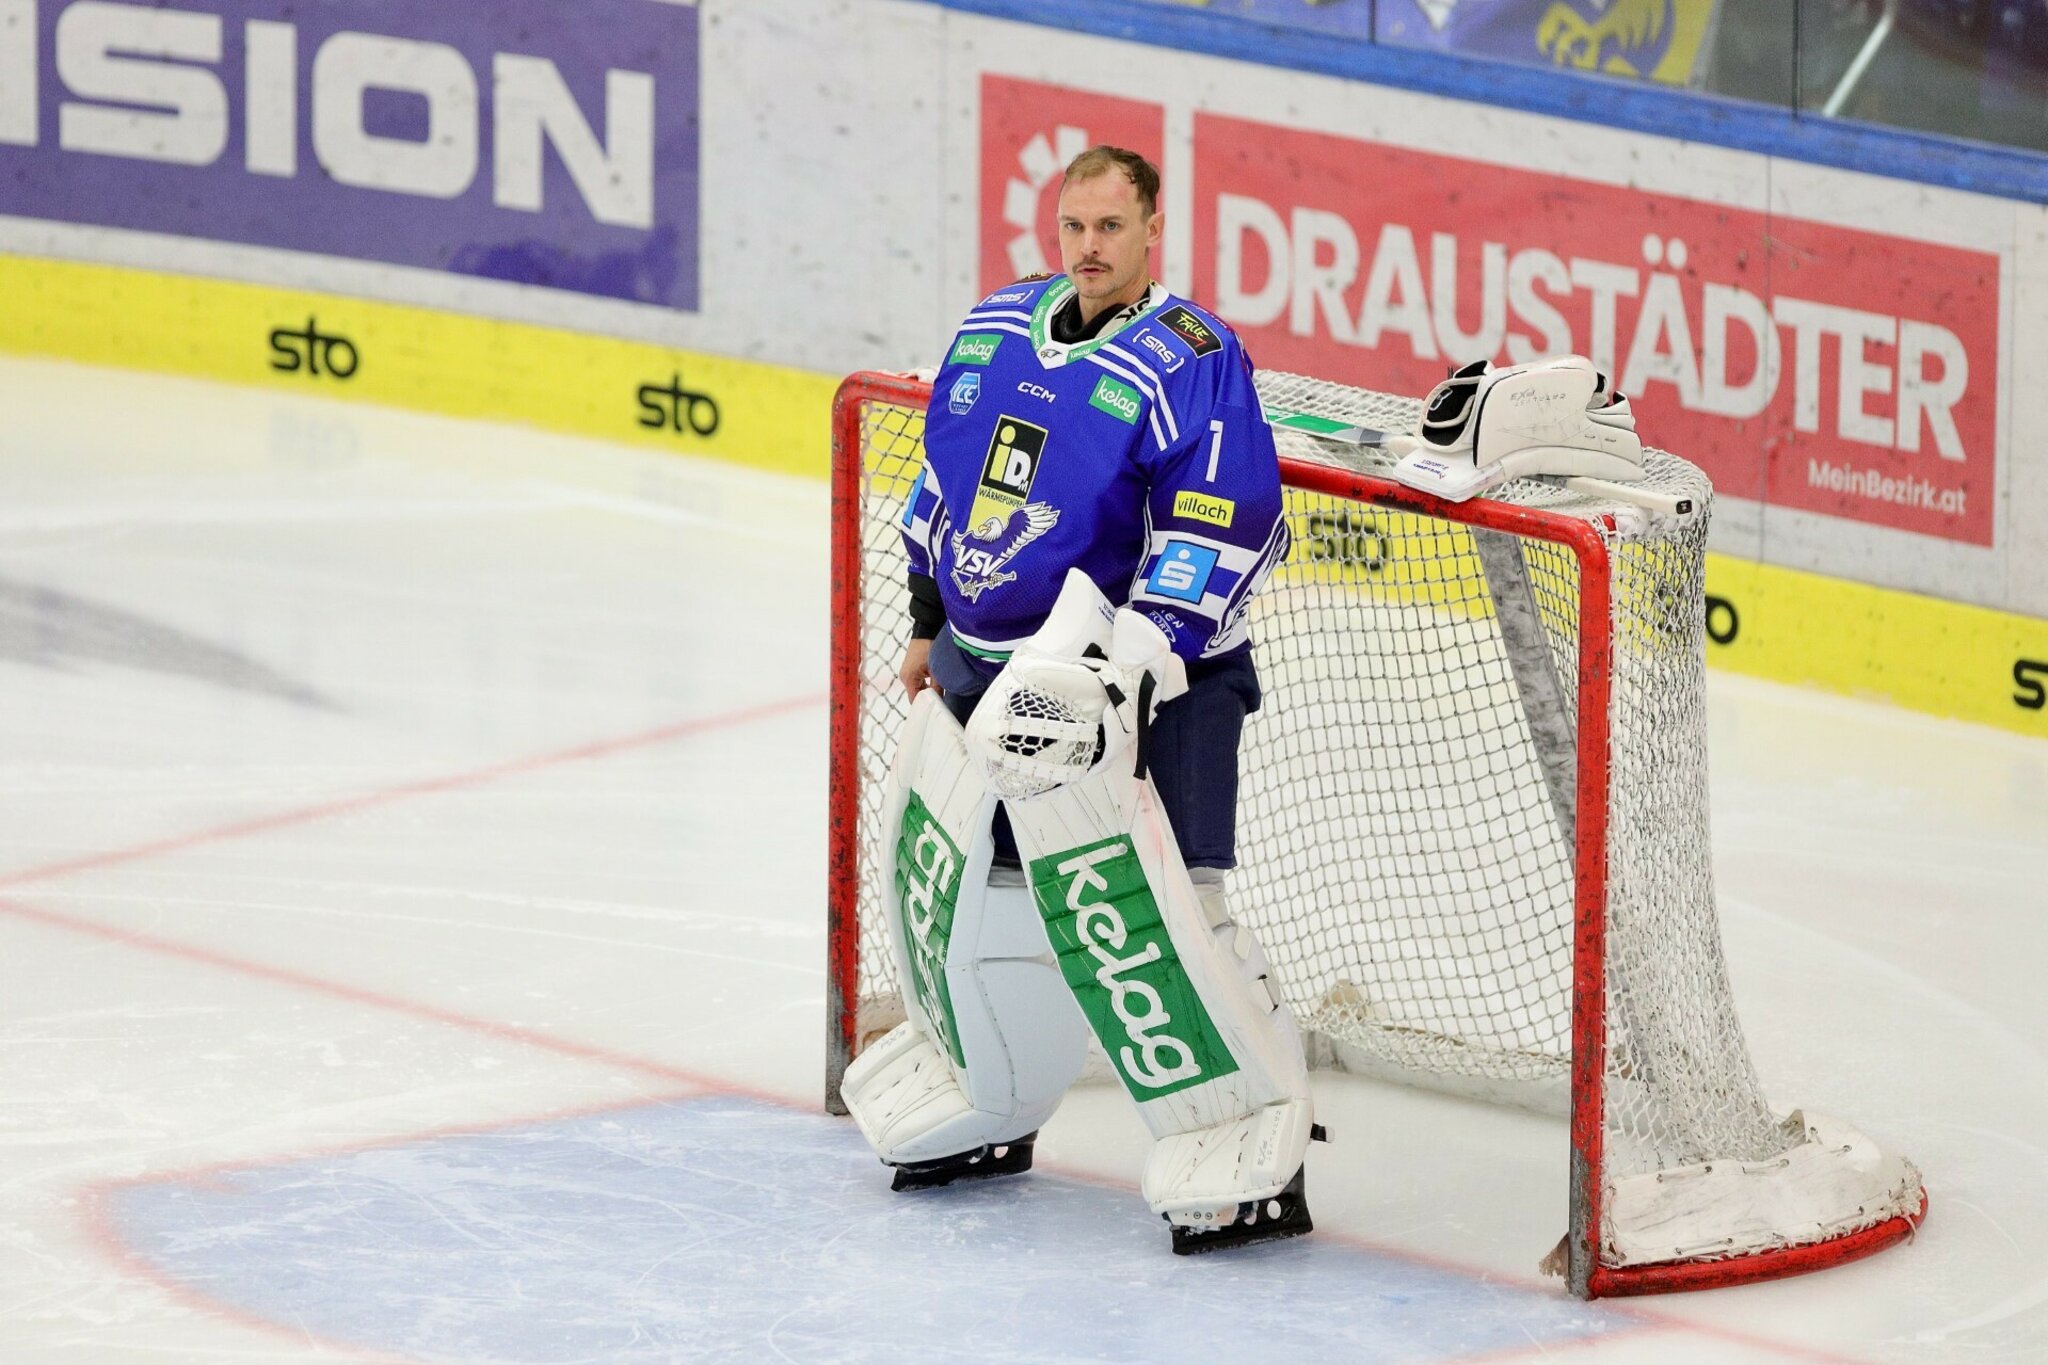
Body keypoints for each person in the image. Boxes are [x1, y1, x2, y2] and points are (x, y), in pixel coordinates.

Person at [840, 146, 1317, 1254]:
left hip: (1151, 688)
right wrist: (925, 621)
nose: (1089, 249)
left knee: (1177, 908)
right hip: (985, 674)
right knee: (983, 885)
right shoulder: (997, 326)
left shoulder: (1190, 356)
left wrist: (1128, 669)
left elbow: (1219, 516)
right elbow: (944, 488)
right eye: (1073, 228)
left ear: (1152, 227)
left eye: (1110, 227)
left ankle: (1251, 1128)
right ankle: (992, 1093)